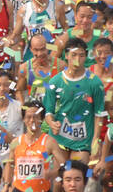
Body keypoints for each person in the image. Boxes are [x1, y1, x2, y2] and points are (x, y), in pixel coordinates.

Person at [42, 37, 106, 173]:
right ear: (66, 56)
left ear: (86, 56)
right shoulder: (55, 81)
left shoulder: (95, 83)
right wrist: (52, 123)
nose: (77, 59)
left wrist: (95, 141)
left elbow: (99, 115)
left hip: (83, 140)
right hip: (59, 138)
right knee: (59, 180)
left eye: (81, 55)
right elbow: (48, 112)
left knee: (77, 176)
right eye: (74, 55)